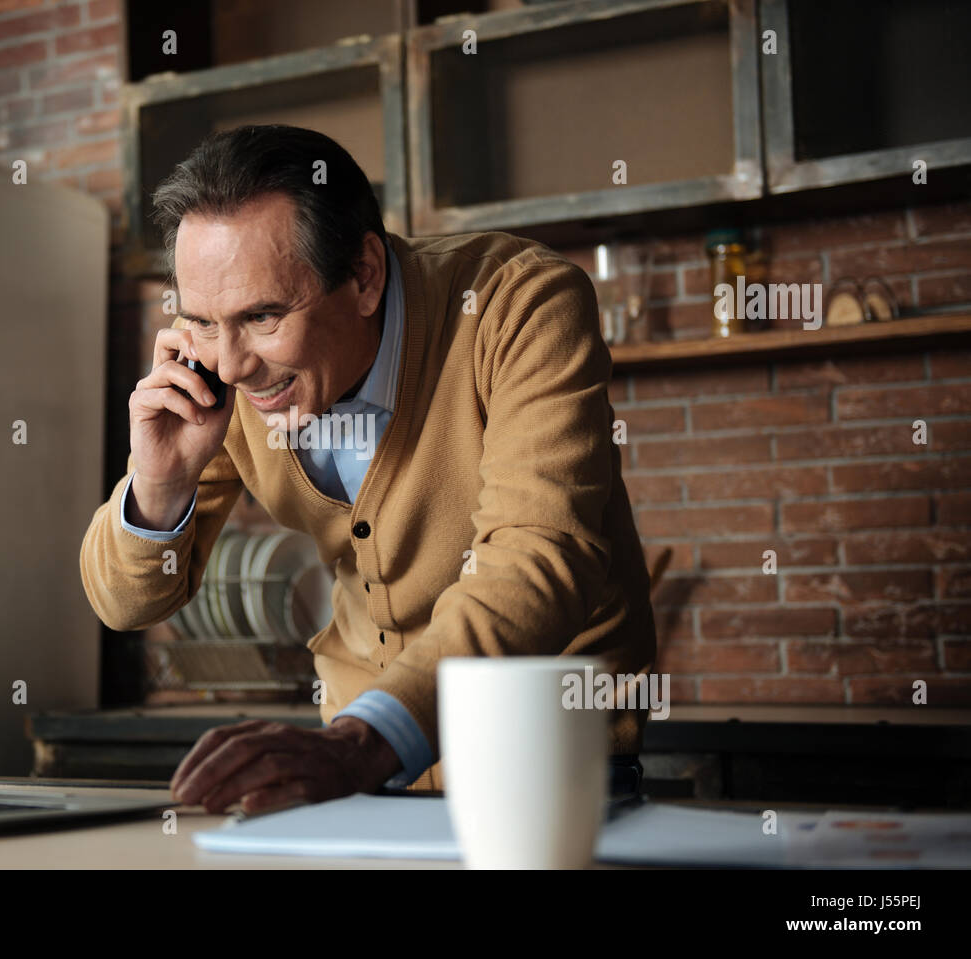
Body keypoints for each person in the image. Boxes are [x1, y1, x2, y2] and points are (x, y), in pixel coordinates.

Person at [79, 124, 656, 815]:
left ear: (365, 275)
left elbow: (539, 555)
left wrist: (364, 739)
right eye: (201, 320)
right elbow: (126, 604)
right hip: (356, 775)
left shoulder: (517, 303)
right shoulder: (224, 371)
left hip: (538, 762)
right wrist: (159, 483)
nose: (230, 365)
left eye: (263, 315)